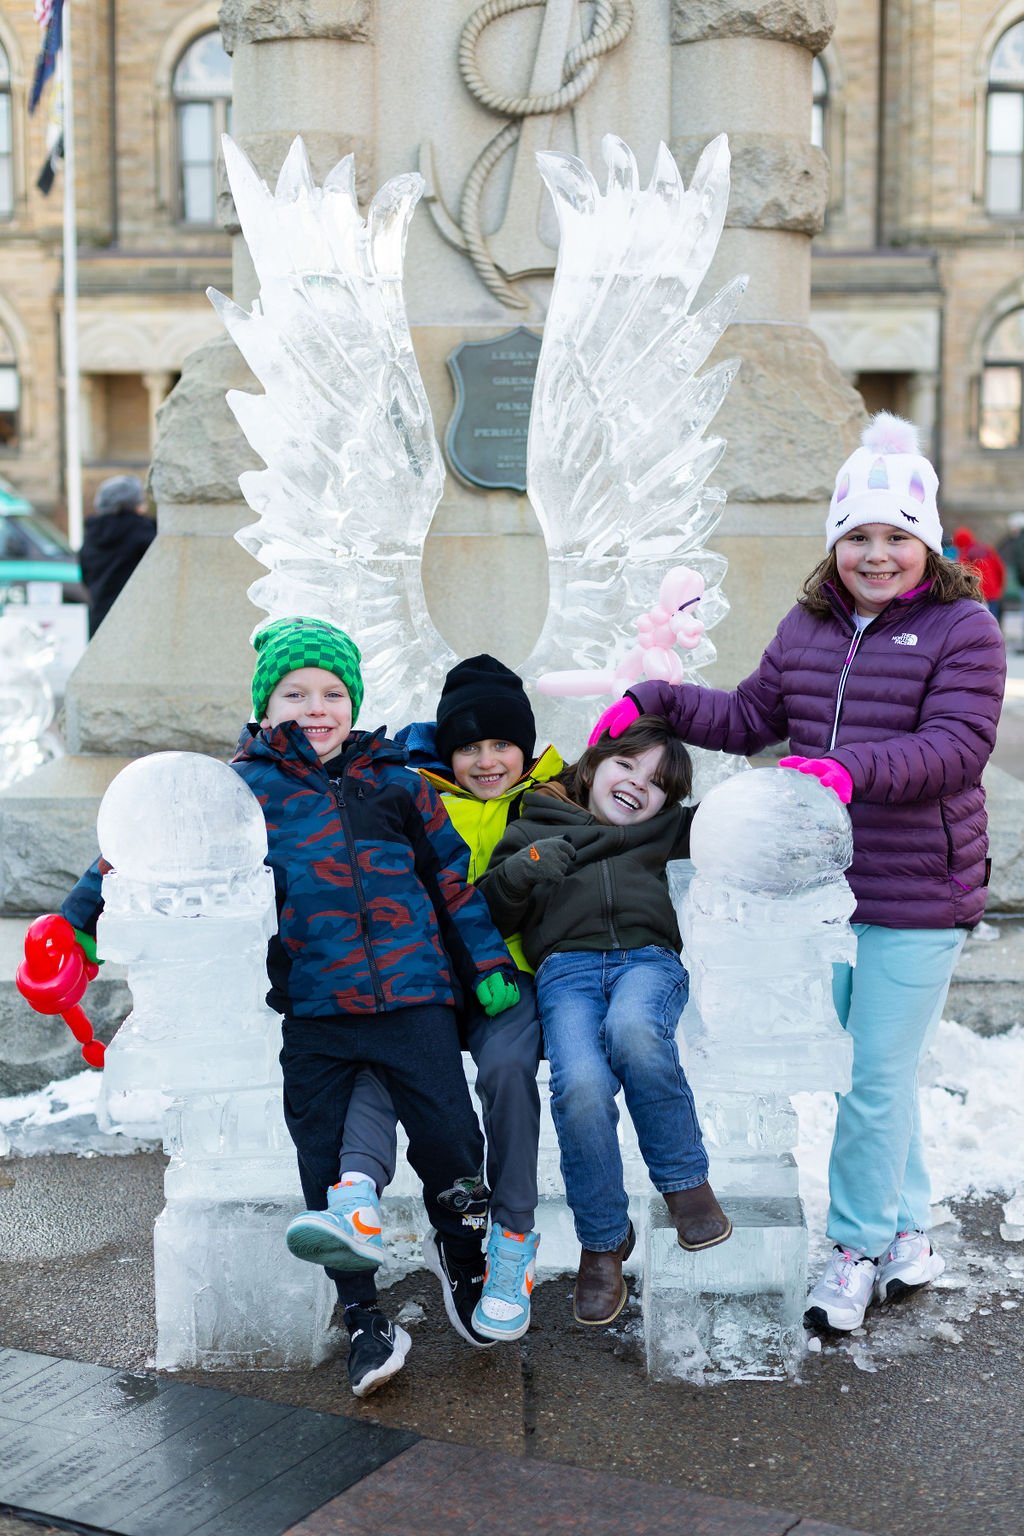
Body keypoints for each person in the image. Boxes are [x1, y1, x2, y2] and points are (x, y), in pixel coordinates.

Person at [26, 617, 522, 1397]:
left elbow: (451, 884)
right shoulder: (237, 789)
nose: (315, 707)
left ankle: (465, 1263)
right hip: (314, 1005)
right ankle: (362, 1316)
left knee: (453, 1148)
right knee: (323, 1168)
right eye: (295, 693)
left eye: (332, 692)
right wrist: (77, 923)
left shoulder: (401, 784)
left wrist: (487, 963)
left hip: (414, 995)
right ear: (265, 706)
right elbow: (132, 849)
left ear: (353, 702)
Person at [589, 412, 1006, 1333]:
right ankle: (904, 1236)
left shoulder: (963, 629)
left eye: (897, 536)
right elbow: (748, 717)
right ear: (836, 544)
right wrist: (651, 699)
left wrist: (847, 769)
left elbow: (957, 746)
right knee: (874, 1075)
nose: (876, 553)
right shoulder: (811, 626)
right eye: (858, 535)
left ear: (926, 544)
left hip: (917, 893)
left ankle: (853, 1249)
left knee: (871, 1076)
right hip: (823, 894)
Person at [286, 653, 564, 1345]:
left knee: (496, 1082)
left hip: (504, 977)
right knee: (384, 1075)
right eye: (469, 746)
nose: (488, 759)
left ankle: (504, 1238)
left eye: (502, 743)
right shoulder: (412, 788)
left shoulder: (551, 797)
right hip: (419, 982)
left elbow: (459, 890)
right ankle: (356, 1206)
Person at [478, 716, 731, 1328]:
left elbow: (739, 829)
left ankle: (684, 1185)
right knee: (581, 1086)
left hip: (648, 962)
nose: (638, 785)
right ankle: (604, 1241)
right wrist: (521, 871)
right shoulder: (535, 822)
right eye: (627, 765)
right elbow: (492, 908)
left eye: (657, 782)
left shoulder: (666, 830)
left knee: (635, 1034)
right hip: (564, 971)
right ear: (593, 766)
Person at [78, 475, 157, 636]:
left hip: (99, 621)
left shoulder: (92, 535)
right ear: (135, 504)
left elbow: (86, 577)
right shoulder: (144, 533)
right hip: (138, 623)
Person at [951, 524, 1005, 620]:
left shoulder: (965, 555)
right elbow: (1000, 569)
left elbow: (963, 575)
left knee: (981, 621)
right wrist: (999, 587)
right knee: (993, 620)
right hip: (993, 592)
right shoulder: (987, 549)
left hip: (977, 593)